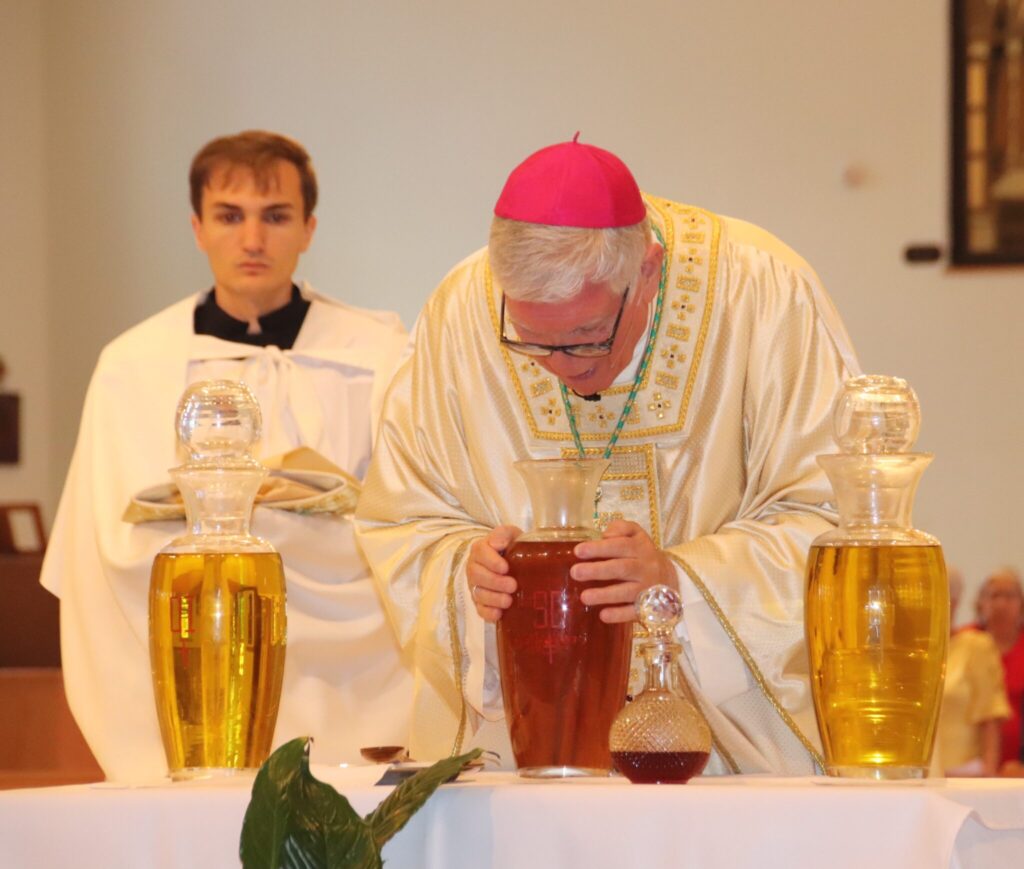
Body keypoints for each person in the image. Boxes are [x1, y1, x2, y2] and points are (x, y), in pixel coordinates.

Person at [354, 137, 860, 774]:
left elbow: (837, 523)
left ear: (647, 270)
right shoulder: (460, 313)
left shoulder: (762, 292)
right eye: (532, 341)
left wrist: (680, 582)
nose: (562, 367)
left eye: (588, 337)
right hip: (529, 750)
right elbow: (401, 524)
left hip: (733, 764)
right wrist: (469, 579)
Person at [41, 130, 412, 781]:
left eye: (276, 217)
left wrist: (286, 528)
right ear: (198, 228)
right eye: (230, 216)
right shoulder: (134, 363)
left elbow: (407, 519)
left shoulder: (376, 353)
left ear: (309, 228)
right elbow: (104, 544)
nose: (253, 239)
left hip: (350, 652)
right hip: (196, 628)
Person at [934, 569, 1011, 776]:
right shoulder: (912, 653)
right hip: (921, 777)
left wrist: (989, 777)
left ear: (953, 602)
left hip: (966, 775)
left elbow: (990, 716)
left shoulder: (976, 646)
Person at [974, 566, 1024, 773]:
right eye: (994, 595)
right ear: (980, 603)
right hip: (969, 767)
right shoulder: (964, 641)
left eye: (1009, 596)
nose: (1001, 604)